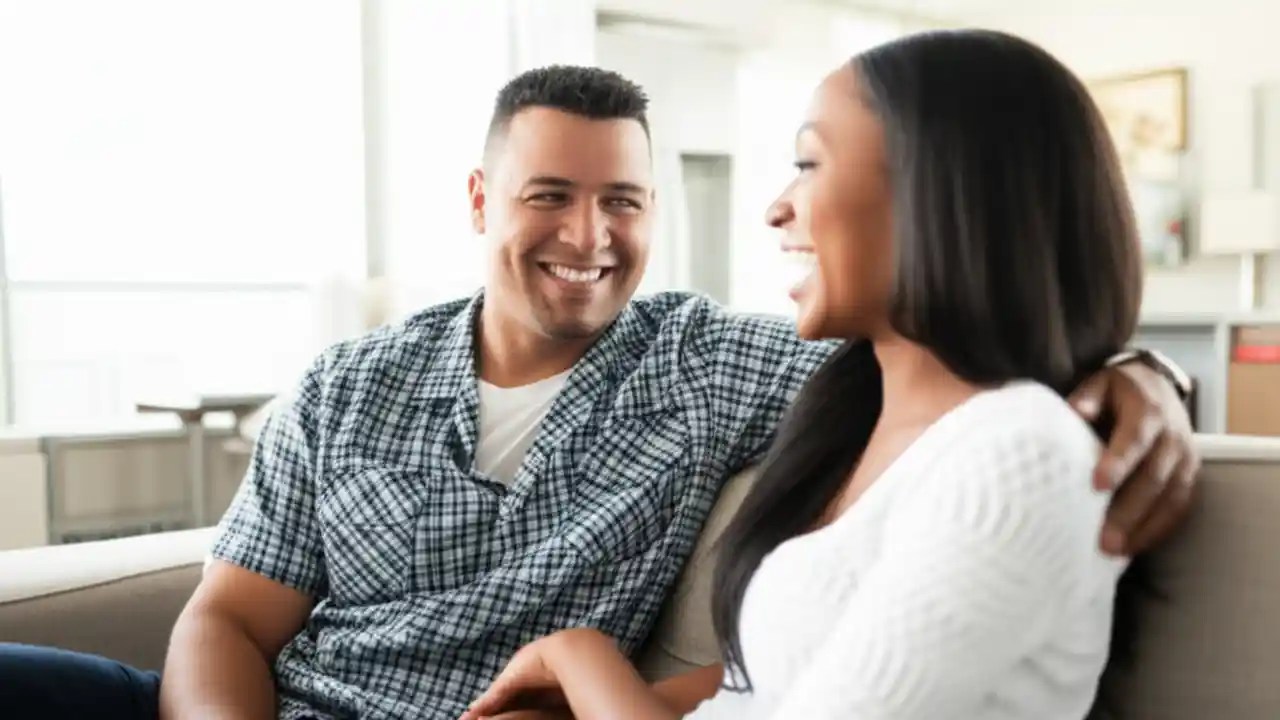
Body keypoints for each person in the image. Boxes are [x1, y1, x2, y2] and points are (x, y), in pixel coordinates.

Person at [0, 62, 1196, 720]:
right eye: (549, 197)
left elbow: (952, 350)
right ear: (481, 204)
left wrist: (1137, 373)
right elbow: (226, 622)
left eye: (622, 202)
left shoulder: (704, 361)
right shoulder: (352, 382)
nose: (590, 236)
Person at [461, 31, 1176, 720]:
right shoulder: (849, 410)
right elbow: (763, 691)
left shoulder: (1018, 451)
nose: (776, 207)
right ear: (481, 201)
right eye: (548, 195)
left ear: (938, 193)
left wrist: (579, 657)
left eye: (809, 164)